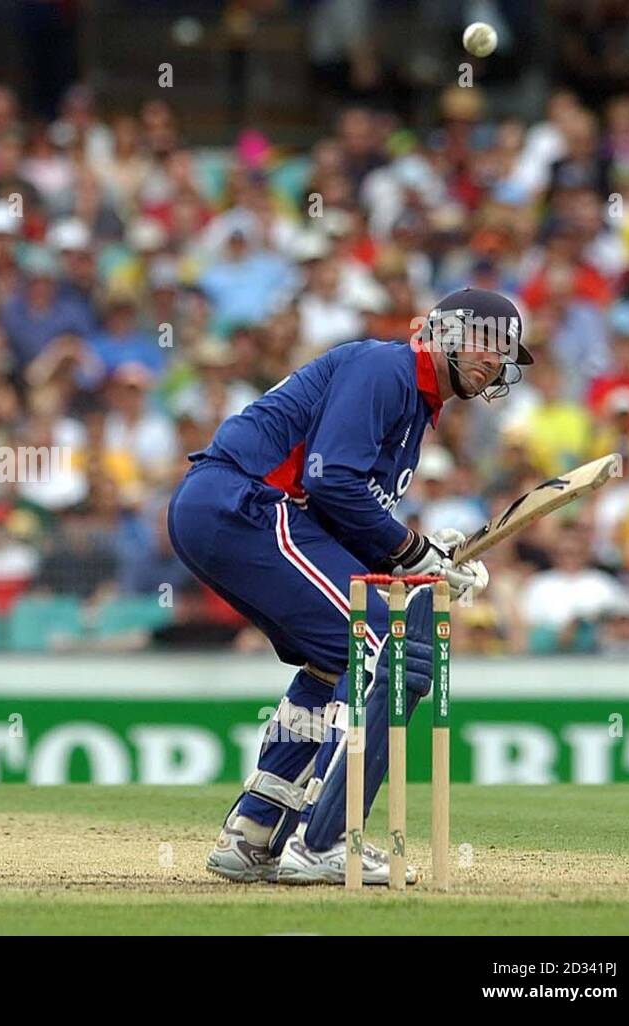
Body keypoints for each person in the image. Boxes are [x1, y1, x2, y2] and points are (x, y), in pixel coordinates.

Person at [168, 287, 529, 886]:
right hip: (244, 502)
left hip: (238, 512)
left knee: (332, 659)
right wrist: (413, 550)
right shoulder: (387, 369)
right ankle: (327, 840)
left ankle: (255, 833)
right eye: (486, 344)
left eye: (503, 354)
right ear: (445, 331)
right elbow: (331, 479)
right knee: (385, 646)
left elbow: (345, 516)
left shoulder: (414, 409)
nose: (494, 361)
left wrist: (427, 563)